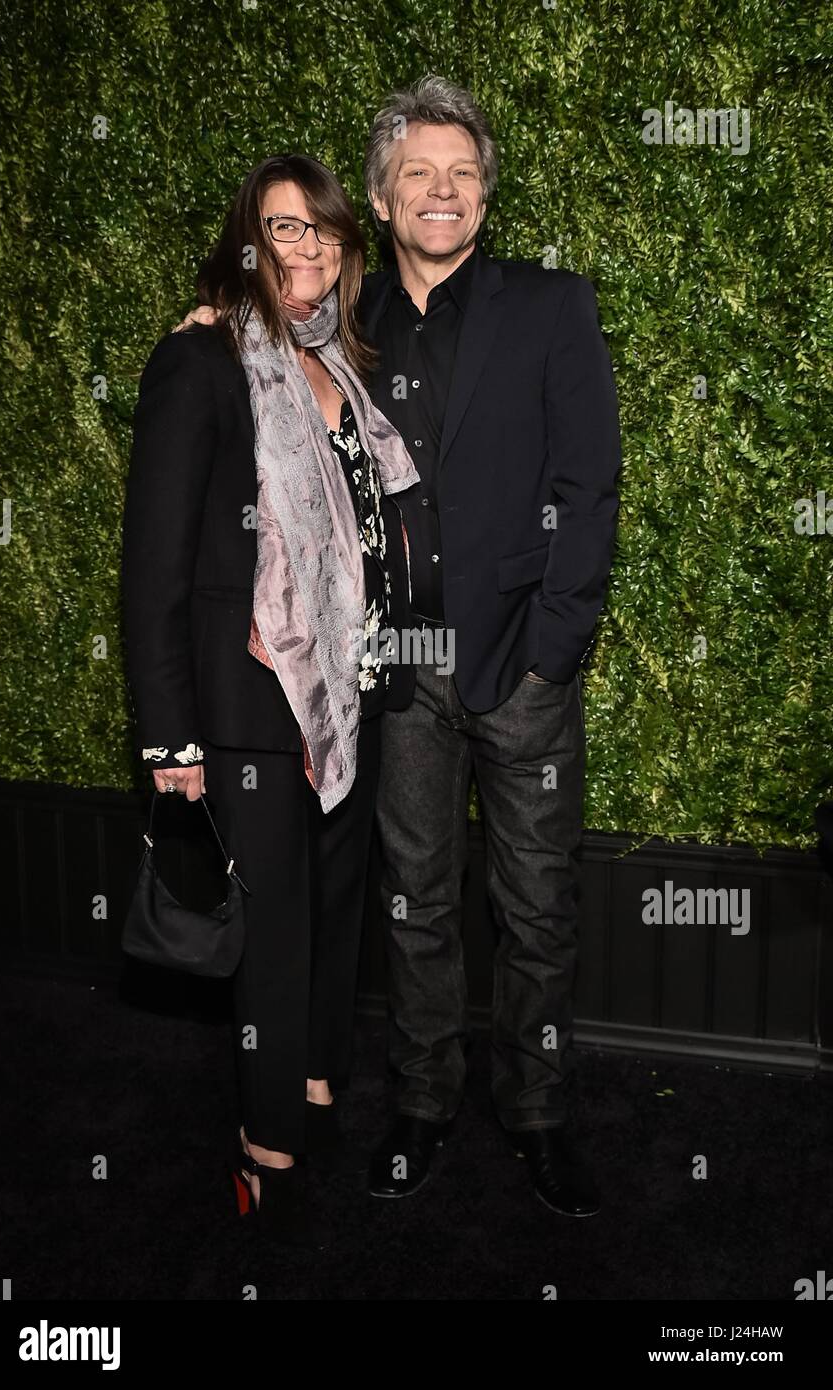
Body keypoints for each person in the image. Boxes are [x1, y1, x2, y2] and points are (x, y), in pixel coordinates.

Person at [121, 154, 419, 1249]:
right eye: (283, 231)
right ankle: (265, 1144)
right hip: (248, 698)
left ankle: (318, 1084)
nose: (307, 251)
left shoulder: (342, 362)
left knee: (341, 905)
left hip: (353, 684)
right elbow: (151, 566)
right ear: (244, 241)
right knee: (275, 924)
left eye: (325, 234)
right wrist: (169, 740)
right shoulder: (200, 360)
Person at [357, 76, 621, 1215]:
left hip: (520, 665)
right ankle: (422, 1102)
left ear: (485, 195)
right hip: (401, 670)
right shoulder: (343, 319)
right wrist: (215, 315)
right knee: (413, 897)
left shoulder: (551, 306)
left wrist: (552, 650)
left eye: (462, 171)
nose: (442, 189)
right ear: (380, 194)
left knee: (536, 905)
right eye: (419, 169)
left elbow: (589, 481)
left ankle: (541, 1112)